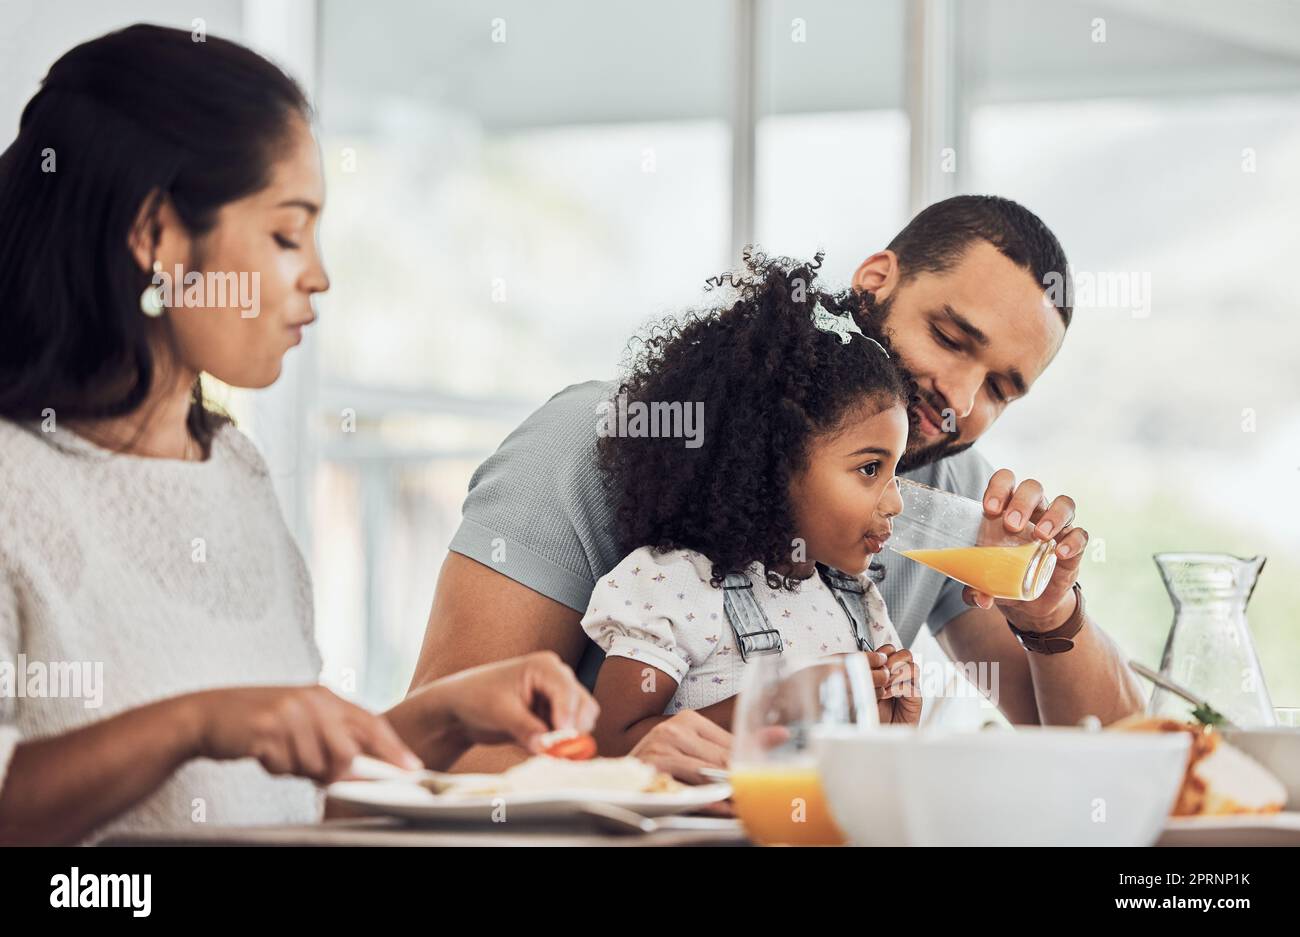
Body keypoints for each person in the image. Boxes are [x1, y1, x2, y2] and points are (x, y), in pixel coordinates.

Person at [0, 24, 597, 846]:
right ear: (156, 236)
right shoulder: (14, 485)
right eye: (286, 234)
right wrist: (196, 721)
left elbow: (286, 804)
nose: (318, 274)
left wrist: (447, 716)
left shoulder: (234, 473)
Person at [411, 196, 1146, 779]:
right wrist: (620, 772)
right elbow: (436, 752)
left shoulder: (951, 496)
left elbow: (1118, 759)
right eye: (951, 338)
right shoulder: (589, 444)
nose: (958, 393)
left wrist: (1052, 614)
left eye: (1001, 388)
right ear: (875, 280)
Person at [582, 253, 923, 760]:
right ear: (774, 461)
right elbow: (610, 745)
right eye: (870, 469)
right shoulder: (678, 585)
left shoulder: (859, 602)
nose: (893, 502)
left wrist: (891, 725)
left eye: (896, 472)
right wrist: (784, 700)